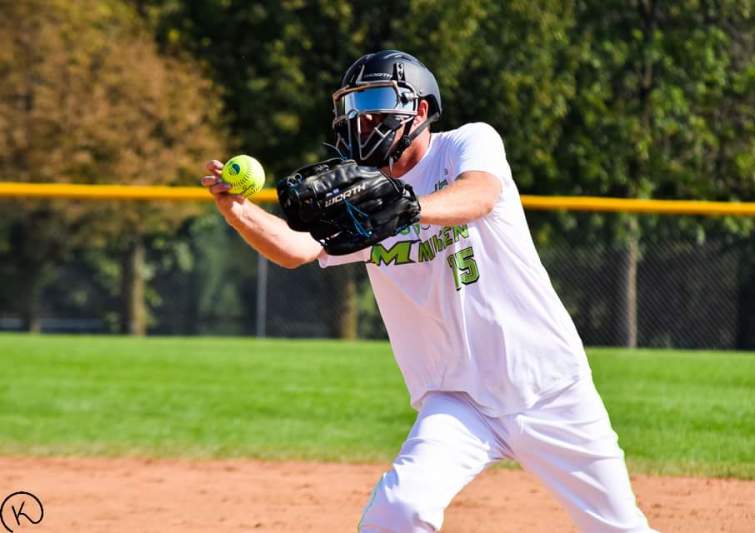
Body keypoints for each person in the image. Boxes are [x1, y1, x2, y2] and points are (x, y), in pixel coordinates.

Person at [201, 50, 655, 533]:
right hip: (459, 400)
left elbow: (480, 195)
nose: (360, 117)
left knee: (618, 527)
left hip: (548, 384)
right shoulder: (361, 197)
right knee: (397, 510)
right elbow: (296, 248)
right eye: (351, 105)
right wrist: (239, 212)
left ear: (419, 109)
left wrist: (404, 205)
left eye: (374, 101)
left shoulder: (466, 143)